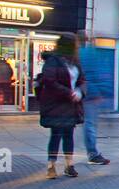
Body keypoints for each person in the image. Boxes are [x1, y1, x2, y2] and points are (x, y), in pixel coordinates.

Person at [37, 34, 86, 179]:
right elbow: (49, 81)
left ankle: (69, 165)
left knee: (68, 135)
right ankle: (51, 166)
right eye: (75, 44)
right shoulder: (53, 61)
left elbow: (82, 80)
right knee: (56, 135)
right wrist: (69, 93)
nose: (77, 47)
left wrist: (80, 92)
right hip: (57, 104)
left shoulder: (74, 62)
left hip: (71, 104)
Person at [79, 35, 112, 166]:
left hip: (78, 93)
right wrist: (98, 93)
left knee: (70, 126)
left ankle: (62, 160)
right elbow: (92, 75)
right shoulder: (88, 53)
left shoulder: (78, 54)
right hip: (89, 95)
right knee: (90, 124)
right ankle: (93, 154)